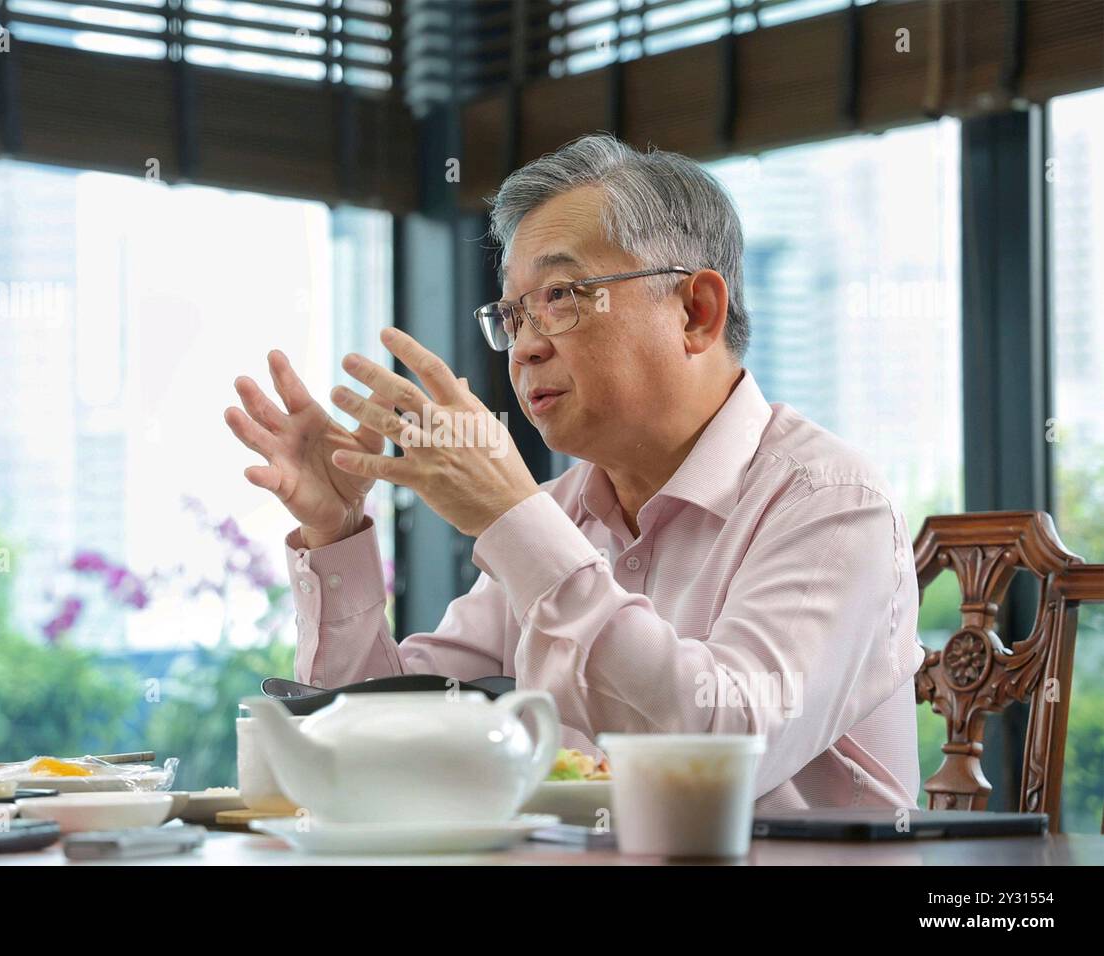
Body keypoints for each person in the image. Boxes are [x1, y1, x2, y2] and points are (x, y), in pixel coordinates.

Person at [223, 133, 924, 810]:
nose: (524, 348)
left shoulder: (832, 504)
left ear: (696, 312)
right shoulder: (555, 517)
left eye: (560, 297)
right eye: (512, 314)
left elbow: (717, 756)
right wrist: (337, 530)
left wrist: (515, 523)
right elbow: (375, 744)